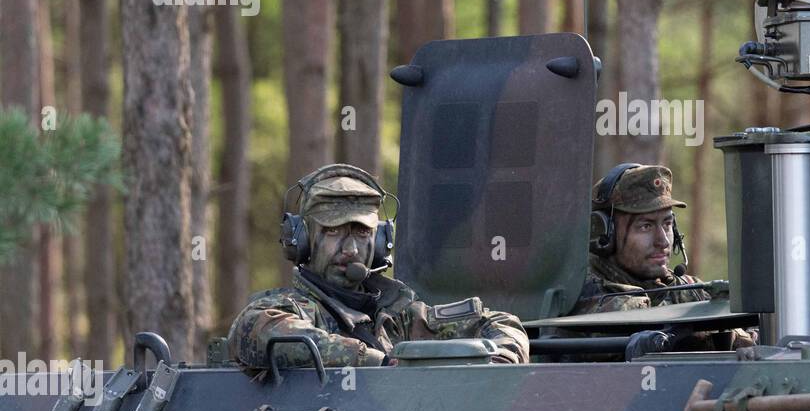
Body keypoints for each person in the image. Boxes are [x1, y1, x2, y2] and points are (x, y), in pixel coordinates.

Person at [227, 164, 528, 369]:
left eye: (362, 233)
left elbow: (500, 323)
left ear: (382, 239)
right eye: (333, 232)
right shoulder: (292, 310)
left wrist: (499, 363)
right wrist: (376, 362)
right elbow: (254, 330)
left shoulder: (400, 319)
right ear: (303, 239)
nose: (351, 249)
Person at [570, 163, 754, 355]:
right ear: (604, 233)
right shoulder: (578, 294)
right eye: (646, 226)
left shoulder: (688, 290)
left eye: (667, 224)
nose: (663, 241)